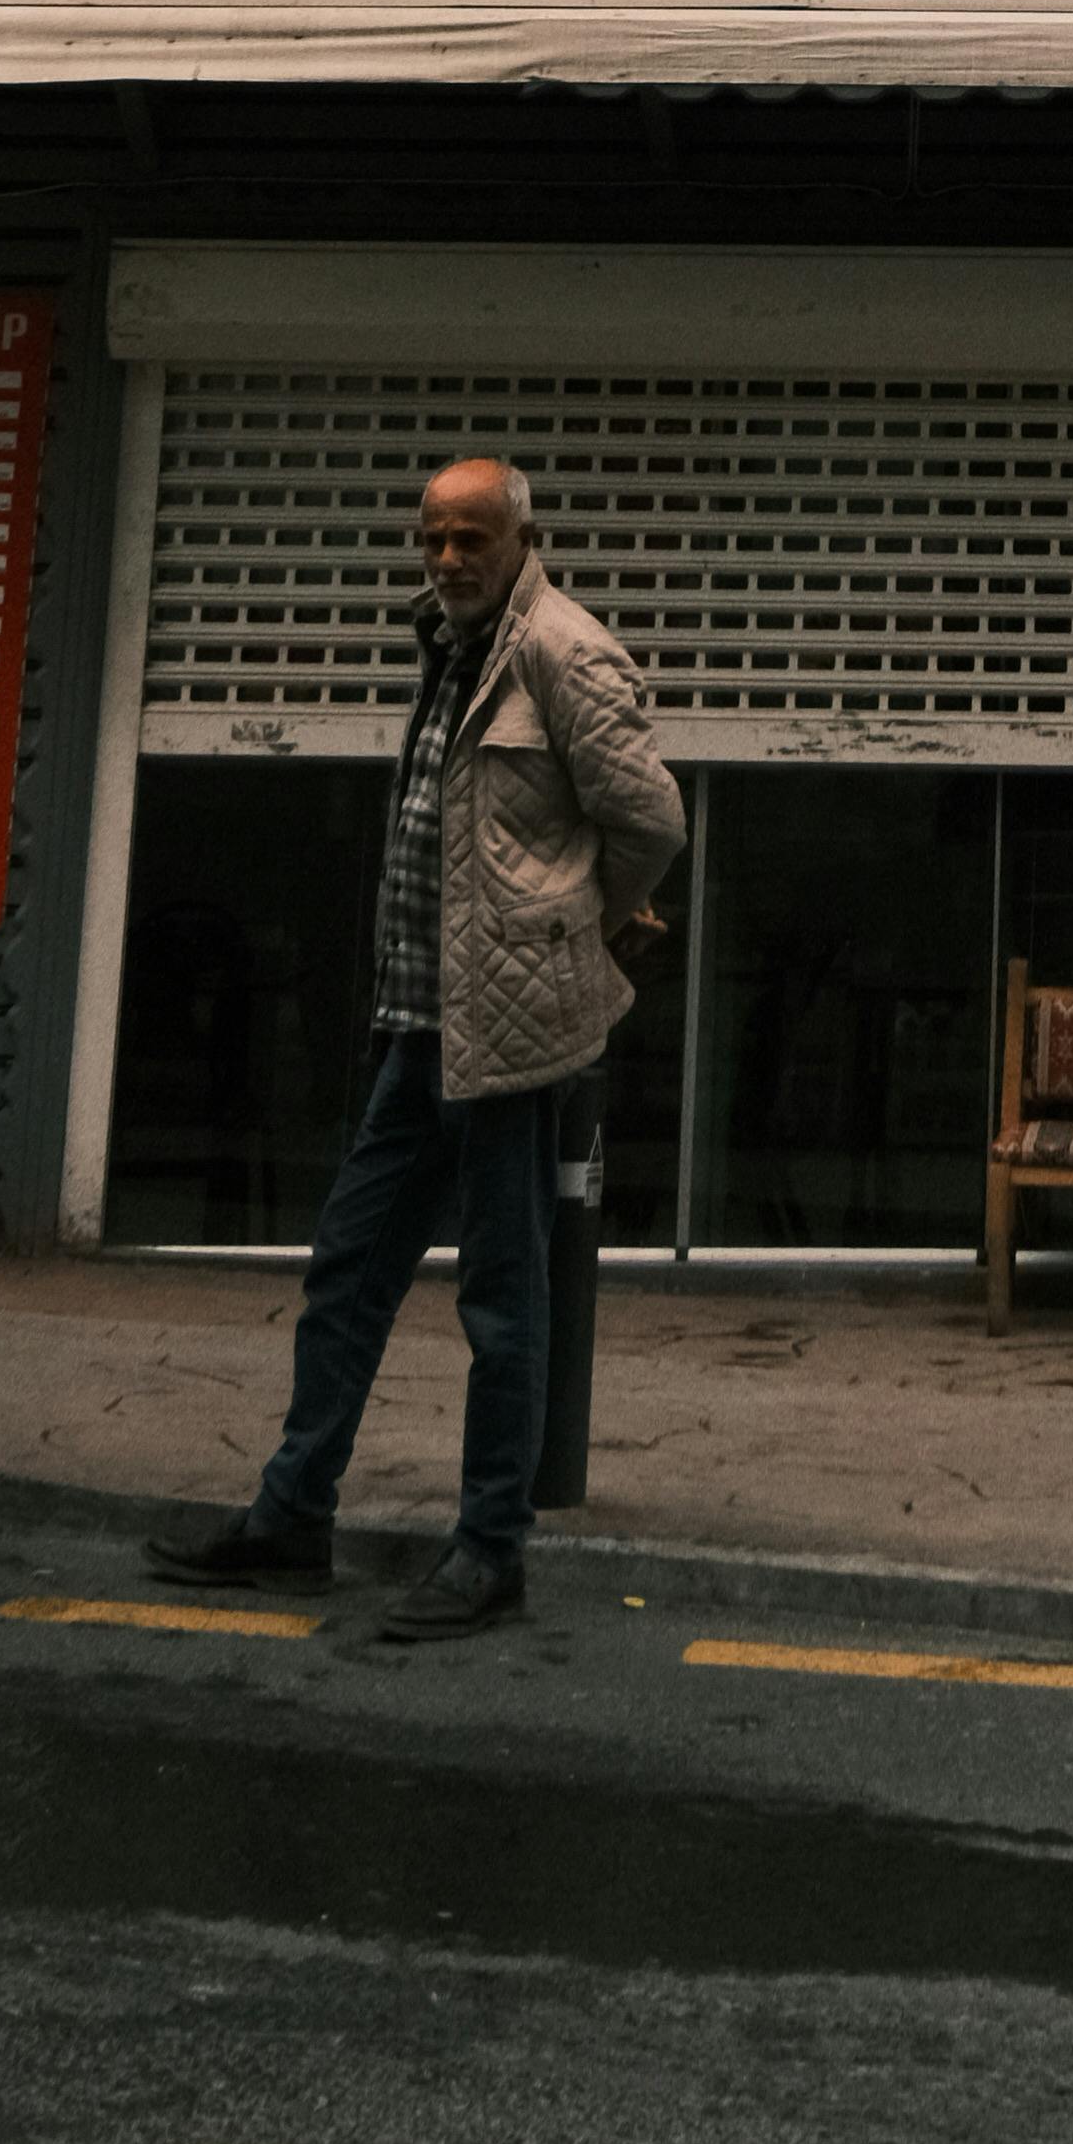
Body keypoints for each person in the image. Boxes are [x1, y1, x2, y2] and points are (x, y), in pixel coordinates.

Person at [156, 453, 682, 1648]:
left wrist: (578, 925)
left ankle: (489, 1551)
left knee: (502, 1299)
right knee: (348, 1267)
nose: (448, 558)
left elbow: (651, 820)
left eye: (470, 538)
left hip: (507, 1028)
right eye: (433, 537)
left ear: (521, 541)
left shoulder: (562, 650)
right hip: (419, 1021)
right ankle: (292, 1518)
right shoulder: (449, 643)